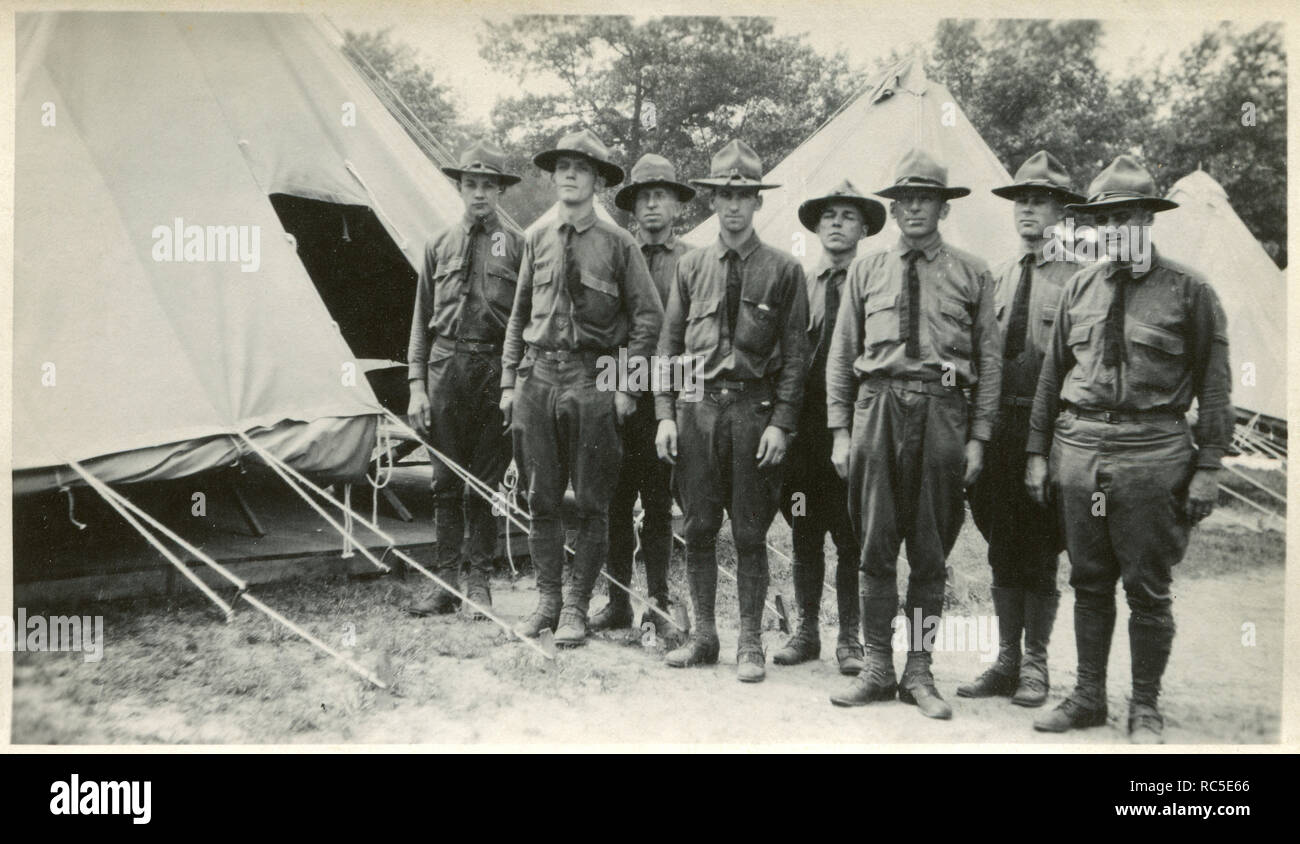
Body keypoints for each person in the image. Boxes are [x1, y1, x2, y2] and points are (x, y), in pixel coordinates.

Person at [1025, 155, 1232, 743]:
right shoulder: (1080, 288)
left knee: (1147, 587)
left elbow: (1216, 384)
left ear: (1148, 218)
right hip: (1080, 448)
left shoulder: (1191, 291)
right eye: (1104, 218)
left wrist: (1209, 466)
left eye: (1127, 216)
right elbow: (1050, 377)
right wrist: (1038, 453)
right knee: (1089, 579)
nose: (1114, 229)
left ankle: (1145, 706)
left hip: (1153, 453)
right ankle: (1089, 694)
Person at [825, 148, 1002, 719]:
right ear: (894, 208)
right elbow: (842, 355)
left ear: (942, 209)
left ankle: (919, 671)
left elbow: (990, 364)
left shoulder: (973, 272)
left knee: (930, 552)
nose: (915, 208)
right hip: (876, 410)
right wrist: (839, 432)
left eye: (927, 198)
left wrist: (977, 437)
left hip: (943, 412)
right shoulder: (866, 269)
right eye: (906, 199)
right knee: (874, 546)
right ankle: (877, 666)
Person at [501, 129, 664, 648]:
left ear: (597, 180)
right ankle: (547, 602)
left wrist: (626, 387)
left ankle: (576, 606)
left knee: (594, 502)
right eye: (562, 166)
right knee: (541, 498)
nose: (569, 174)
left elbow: (648, 320)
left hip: (594, 379)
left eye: (581, 167)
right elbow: (518, 315)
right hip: (538, 376)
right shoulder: (535, 238)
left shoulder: (618, 243)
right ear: (552, 176)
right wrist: (510, 382)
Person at [655, 139, 809, 683]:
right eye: (725, 194)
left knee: (748, 533)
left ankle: (749, 643)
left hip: (753, 413)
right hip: (696, 411)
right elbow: (669, 348)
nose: (734, 205)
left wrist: (783, 424)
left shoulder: (785, 270)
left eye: (744, 194)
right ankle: (703, 637)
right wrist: (665, 414)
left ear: (758, 202)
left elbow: (796, 358)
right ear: (712, 200)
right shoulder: (691, 267)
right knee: (697, 529)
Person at [958, 151, 1083, 706]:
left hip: (1052, 429)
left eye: (1040, 201)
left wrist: (1055, 440)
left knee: (1040, 546)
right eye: (1021, 201)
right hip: (997, 424)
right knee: (1001, 543)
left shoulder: (1084, 278)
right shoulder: (997, 277)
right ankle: (1006, 660)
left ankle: (1035, 664)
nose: (1028, 211)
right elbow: (976, 356)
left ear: (1062, 210)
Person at [405, 138, 524, 618]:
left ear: (500, 191)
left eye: (488, 185)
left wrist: (514, 383)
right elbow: (420, 319)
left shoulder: (517, 247)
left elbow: (524, 320)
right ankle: (444, 582)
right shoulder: (438, 244)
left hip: (493, 370)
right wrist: (416, 386)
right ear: (460, 188)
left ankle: (480, 583)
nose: (479, 194)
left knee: (486, 483)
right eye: (471, 184)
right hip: (445, 368)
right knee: (443, 482)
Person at [773, 180, 886, 675]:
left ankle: (850, 639)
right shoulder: (801, 284)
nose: (837, 223)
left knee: (850, 533)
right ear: (817, 227)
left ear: (864, 228)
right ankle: (806, 631)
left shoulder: (876, 282)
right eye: (829, 216)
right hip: (805, 429)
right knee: (803, 526)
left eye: (848, 215)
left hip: (858, 424)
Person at [587, 154, 696, 633]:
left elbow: (694, 334)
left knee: (657, 502)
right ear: (632, 208)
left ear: (677, 205)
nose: (652, 205)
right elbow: (608, 326)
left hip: (667, 397)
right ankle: (616, 601)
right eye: (643, 197)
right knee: (614, 497)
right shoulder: (616, 252)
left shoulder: (693, 261)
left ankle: (660, 602)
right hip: (618, 392)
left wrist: (679, 402)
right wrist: (618, 387)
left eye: (661, 196)